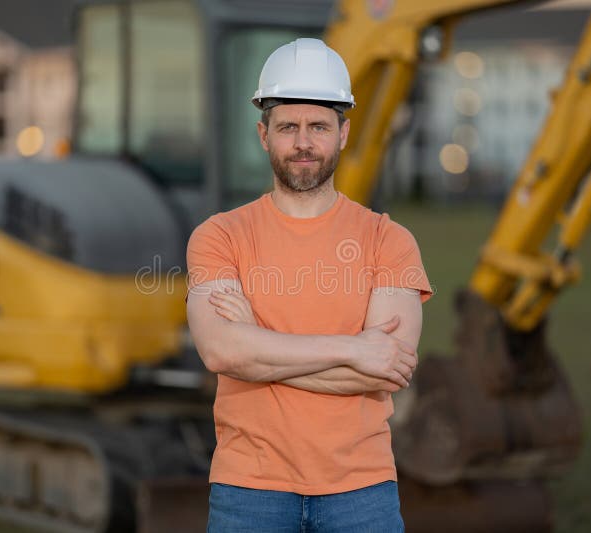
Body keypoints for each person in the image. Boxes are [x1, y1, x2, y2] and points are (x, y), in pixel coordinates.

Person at [186, 38, 433, 532]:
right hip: (248, 490)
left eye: (318, 126)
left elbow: (383, 371)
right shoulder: (219, 236)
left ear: (343, 133)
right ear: (263, 135)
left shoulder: (389, 240)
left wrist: (259, 345)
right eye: (288, 127)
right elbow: (222, 354)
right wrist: (353, 349)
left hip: (362, 492)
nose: (303, 142)